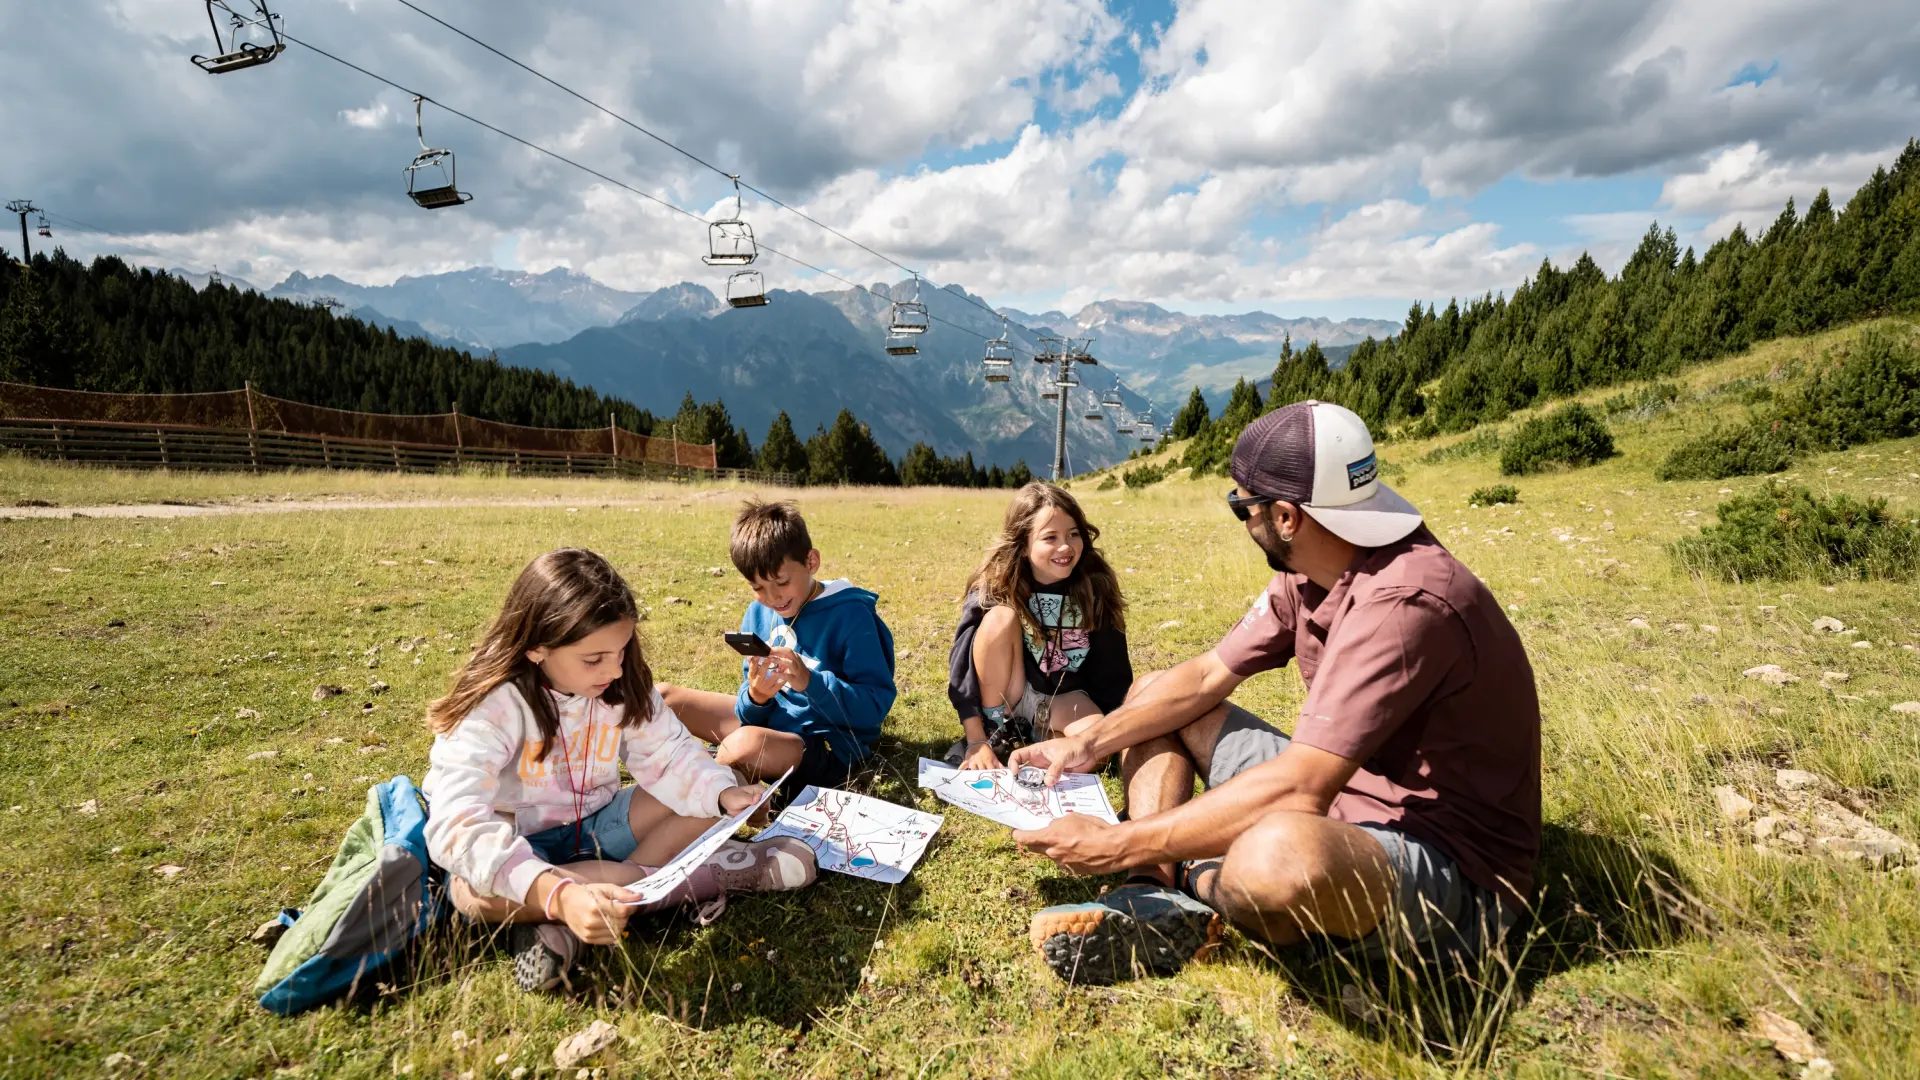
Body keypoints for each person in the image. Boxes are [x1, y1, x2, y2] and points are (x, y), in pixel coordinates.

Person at [1012, 401, 1542, 986]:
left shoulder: (1402, 603)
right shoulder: (1316, 567)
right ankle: (1153, 889)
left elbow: (1301, 785)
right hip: (1347, 798)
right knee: (1153, 694)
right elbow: (1208, 676)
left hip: (1449, 867)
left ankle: (1191, 878)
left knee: (1275, 857)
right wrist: (1088, 745)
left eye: (1243, 506)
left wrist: (1118, 844)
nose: (1241, 518)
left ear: (1286, 516)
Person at [422, 548, 817, 994]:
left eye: (622, 650)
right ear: (537, 646)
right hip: (517, 845)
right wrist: (557, 892)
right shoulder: (492, 705)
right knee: (472, 894)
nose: (614, 669)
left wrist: (724, 795)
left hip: (598, 826)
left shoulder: (621, 681)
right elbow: (458, 823)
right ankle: (706, 875)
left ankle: (573, 914)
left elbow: (668, 756)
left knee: (720, 788)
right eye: (594, 659)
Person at [663, 499, 896, 802]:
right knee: (661, 700)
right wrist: (756, 698)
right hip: (768, 723)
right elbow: (749, 709)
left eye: (781, 582)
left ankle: (700, 796)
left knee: (742, 746)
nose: (772, 597)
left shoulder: (851, 616)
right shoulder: (757, 615)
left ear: (811, 561)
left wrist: (811, 683)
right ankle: (704, 773)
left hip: (821, 742)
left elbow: (874, 707)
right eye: (757, 587)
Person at [945, 482, 1132, 770]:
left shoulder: (1096, 585)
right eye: (1050, 538)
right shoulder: (995, 586)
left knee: (1095, 751)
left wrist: (1111, 729)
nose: (1065, 547)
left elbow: (1113, 669)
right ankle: (995, 734)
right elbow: (961, 665)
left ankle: (1036, 742)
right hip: (1009, 691)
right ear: (1022, 547)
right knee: (1001, 618)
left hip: (1065, 699)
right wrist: (975, 740)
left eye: (1073, 534)